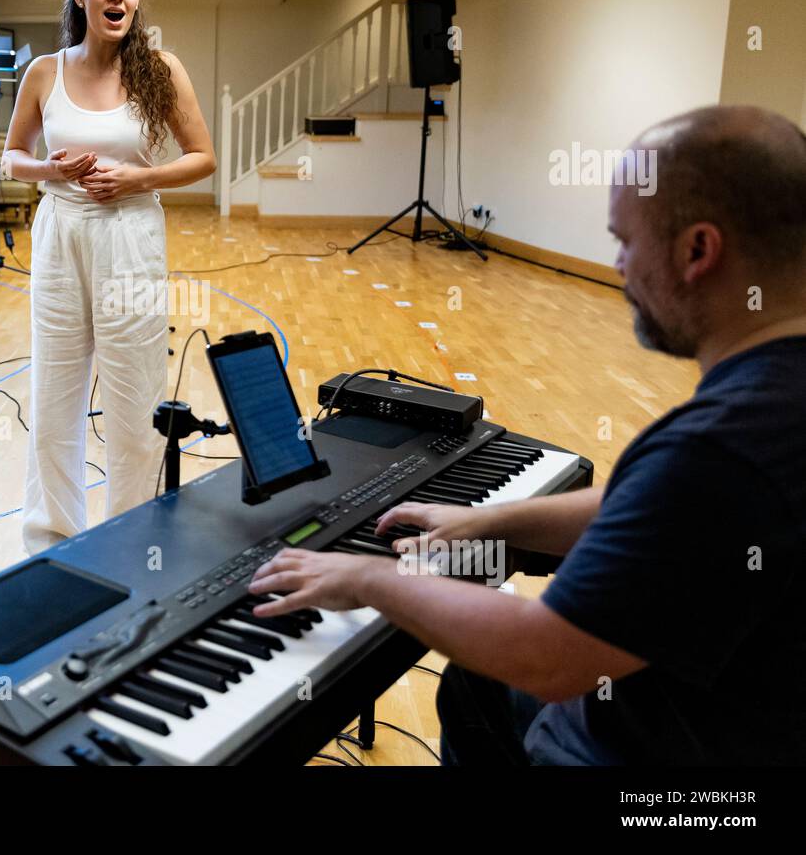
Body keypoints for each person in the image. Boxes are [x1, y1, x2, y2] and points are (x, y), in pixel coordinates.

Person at [248, 105, 806, 765]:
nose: (620, 265)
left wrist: (370, 580)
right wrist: (488, 520)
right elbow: (659, 507)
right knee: (475, 684)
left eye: (626, 241)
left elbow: (546, 656)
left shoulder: (719, 447)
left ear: (697, 251)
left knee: (504, 677)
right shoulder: (768, 403)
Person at [1, 0, 216, 554]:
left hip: (131, 235)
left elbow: (204, 157)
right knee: (55, 393)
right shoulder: (45, 70)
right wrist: (53, 171)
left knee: (133, 395)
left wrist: (138, 176)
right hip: (61, 233)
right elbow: (13, 158)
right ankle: (52, 538)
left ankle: (133, 537)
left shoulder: (161, 69)